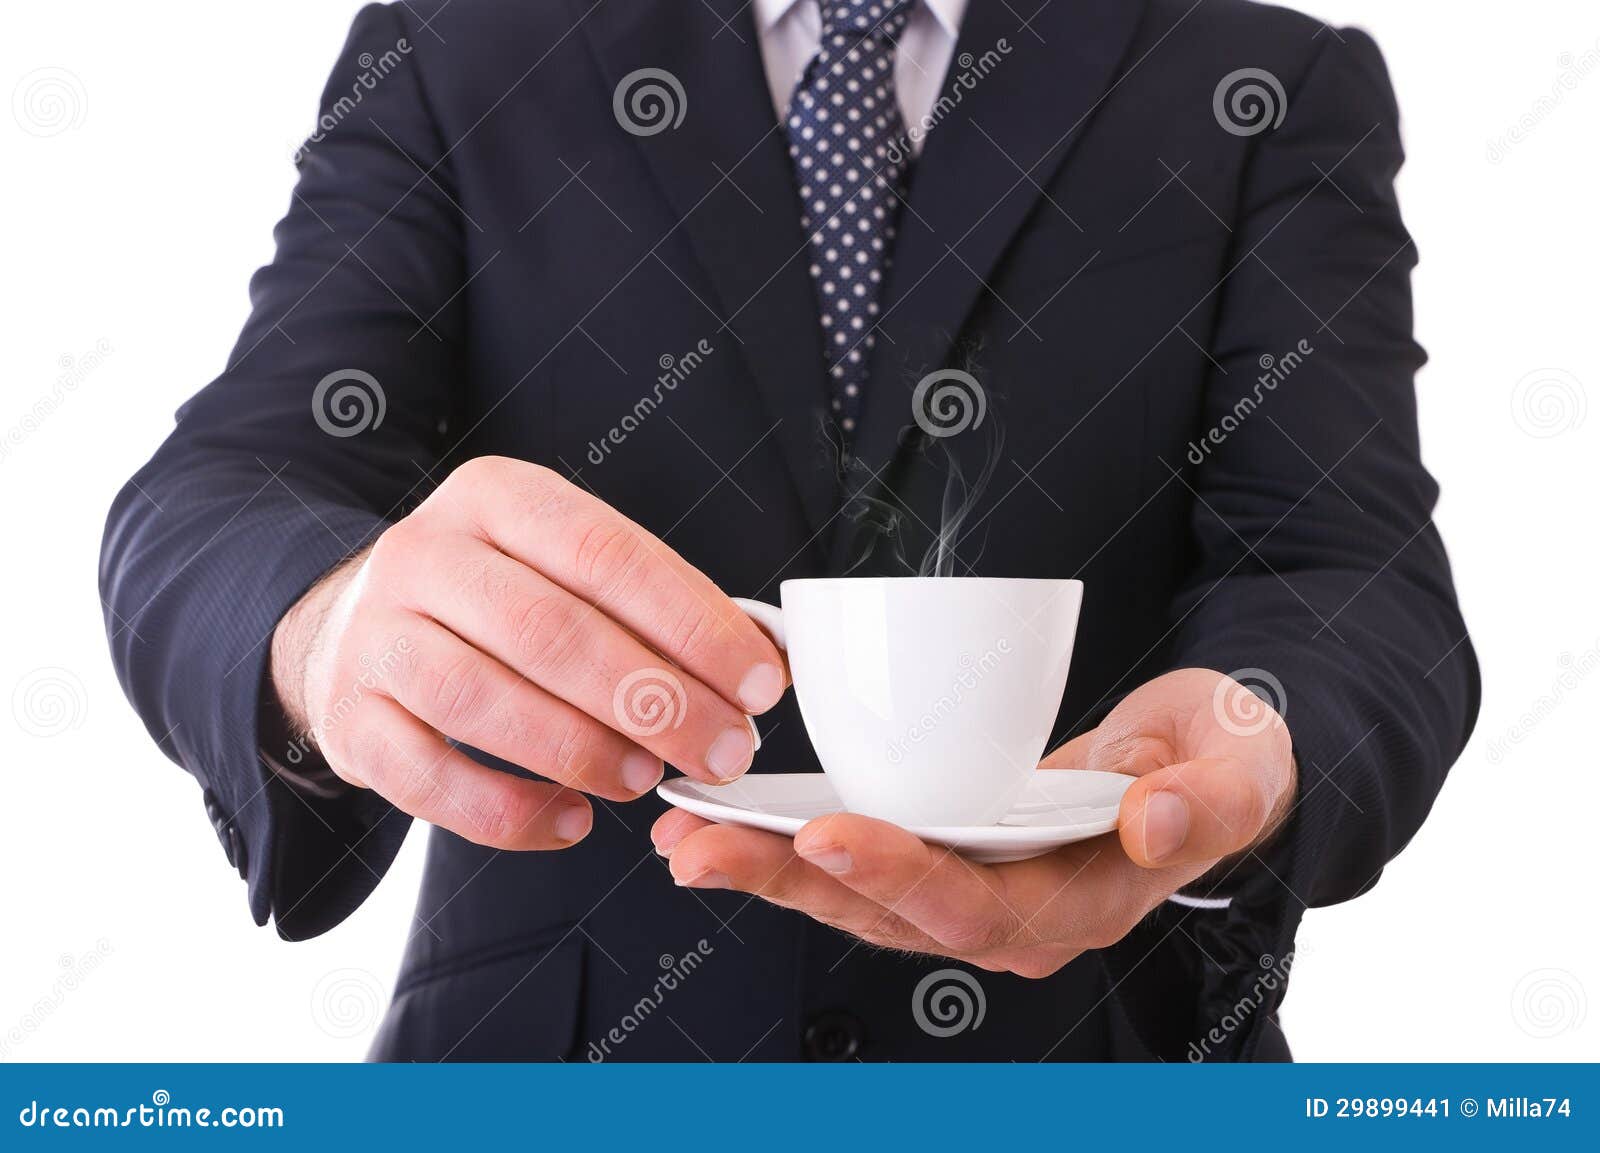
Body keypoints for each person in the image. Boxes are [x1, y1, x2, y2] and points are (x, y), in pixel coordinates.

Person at [100, 0, 1478, 1060]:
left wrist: (1252, 736)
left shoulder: (1260, 84)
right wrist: (329, 626)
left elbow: (1346, 570)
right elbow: (226, 488)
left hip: (1100, 1053)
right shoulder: (464, 48)